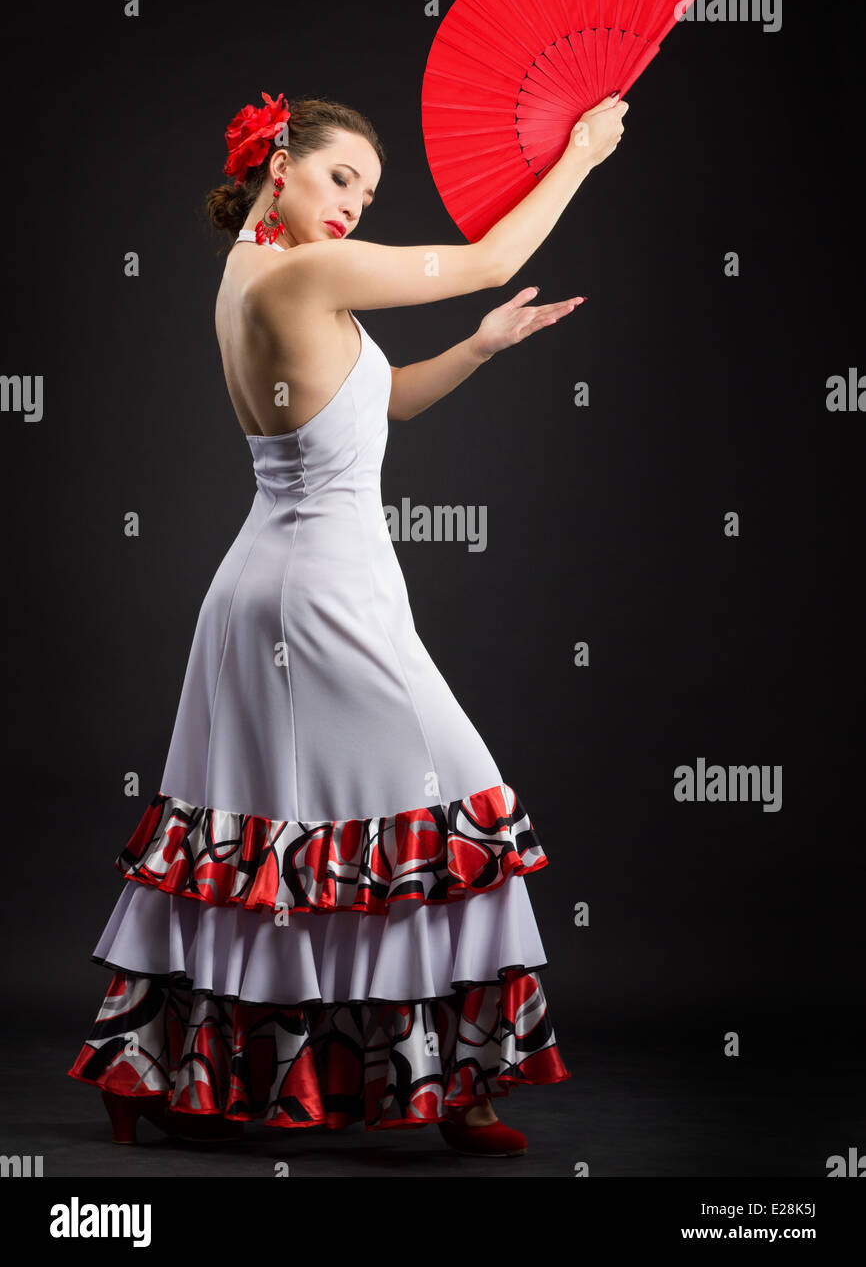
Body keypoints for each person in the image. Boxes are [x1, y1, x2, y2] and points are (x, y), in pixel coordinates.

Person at [67, 89, 628, 1158]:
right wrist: (583, 155)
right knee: (448, 811)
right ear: (278, 166)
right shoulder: (302, 271)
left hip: (275, 586)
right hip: (318, 594)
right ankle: (453, 1085)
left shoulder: (256, 275)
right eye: (340, 179)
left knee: (252, 835)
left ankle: (143, 1073)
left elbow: (387, 403)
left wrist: (480, 345)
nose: (354, 207)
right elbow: (487, 252)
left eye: (369, 193)